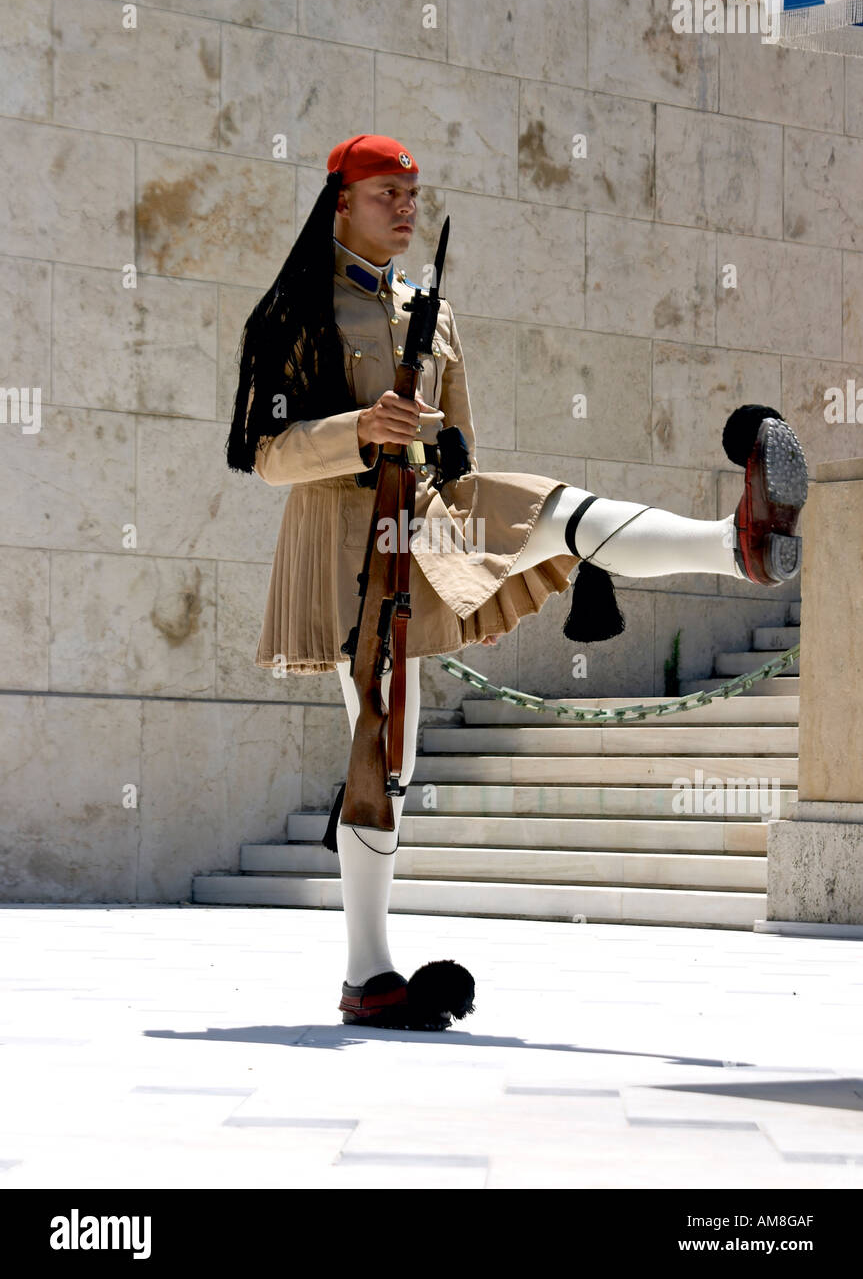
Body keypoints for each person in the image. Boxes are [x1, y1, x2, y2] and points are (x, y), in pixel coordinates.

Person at [226, 133, 809, 1030]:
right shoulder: (293, 312)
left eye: (412, 195)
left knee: (557, 509)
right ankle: (366, 972)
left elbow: (458, 457)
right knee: (386, 756)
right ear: (340, 201)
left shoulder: (431, 311)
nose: (405, 209)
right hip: (344, 542)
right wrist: (359, 428)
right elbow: (266, 455)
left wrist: (481, 572)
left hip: (429, 516)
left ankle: (734, 543)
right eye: (386, 193)